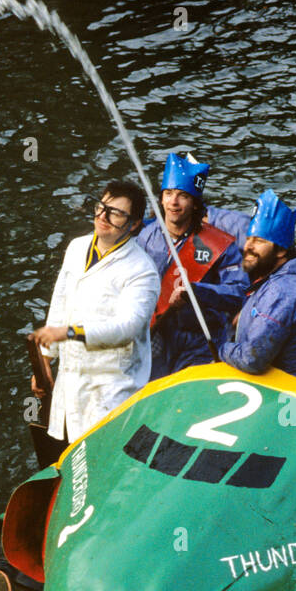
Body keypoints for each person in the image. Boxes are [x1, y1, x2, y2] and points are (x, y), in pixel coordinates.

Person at [30, 181, 160, 444]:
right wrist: (45, 357)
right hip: (71, 377)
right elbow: (61, 300)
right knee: (65, 451)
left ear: (133, 224)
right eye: (101, 207)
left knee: (101, 456)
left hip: (112, 386)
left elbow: (127, 328)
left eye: (115, 213)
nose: (103, 217)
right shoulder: (77, 247)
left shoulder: (142, 272)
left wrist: (68, 333)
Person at [137, 153, 248, 378]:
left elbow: (238, 294)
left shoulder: (220, 245)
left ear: (195, 204)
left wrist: (197, 292)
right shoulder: (145, 238)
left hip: (201, 341)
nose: (173, 202)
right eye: (168, 194)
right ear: (160, 198)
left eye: (182, 196)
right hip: (157, 337)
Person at [220, 189, 296, 384]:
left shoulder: (284, 290)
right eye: (249, 239)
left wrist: (223, 348)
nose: (249, 247)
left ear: (280, 251)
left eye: (260, 241)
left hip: (288, 398)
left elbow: (251, 359)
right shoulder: (281, 280)